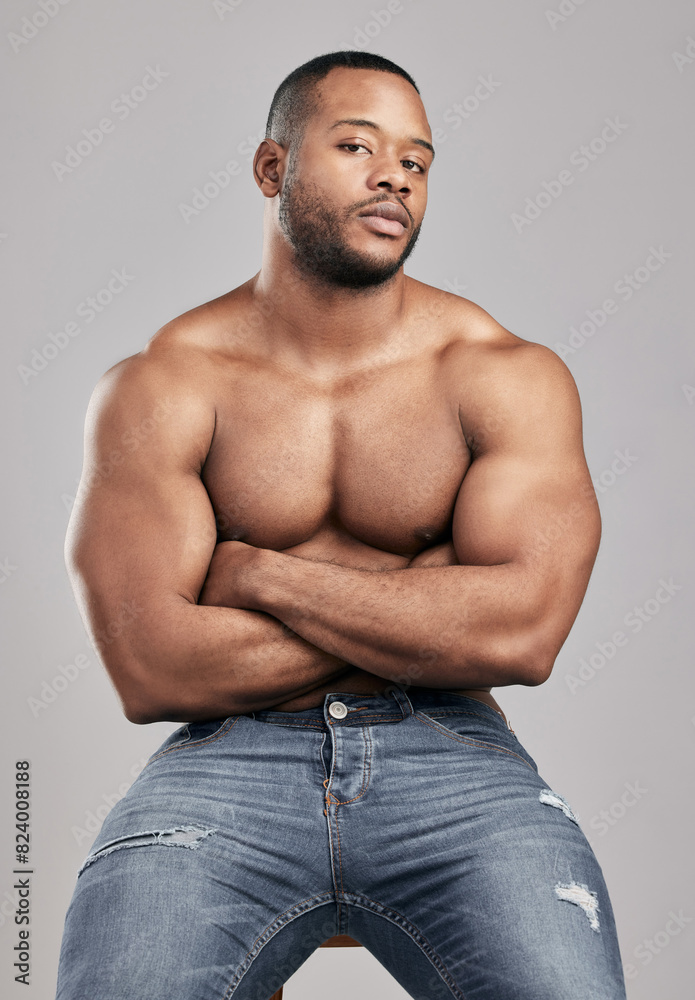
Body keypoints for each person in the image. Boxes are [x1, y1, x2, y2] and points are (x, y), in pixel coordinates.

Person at [55, 51, 627, 1000]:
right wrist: (429, 597)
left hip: (450, 752)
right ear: (271, 170)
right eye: (356, 144)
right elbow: (152, 668)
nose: (394, 174)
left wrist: (258, 575)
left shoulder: (502, 375)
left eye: (417, 159)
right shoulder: (165, 384)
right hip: (227, 760)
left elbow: (522, 637)